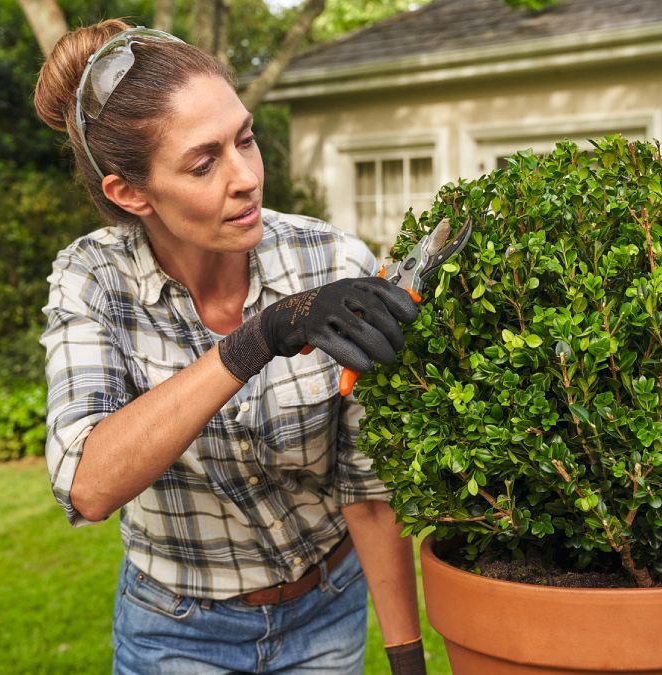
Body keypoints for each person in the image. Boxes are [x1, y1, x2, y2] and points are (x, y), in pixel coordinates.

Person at [34, 19, 427, 674]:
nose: (245, 175)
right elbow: (88, 484)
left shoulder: (329, 259)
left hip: (325, 611)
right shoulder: (93, 279)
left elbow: (367, 487)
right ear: (131, 193)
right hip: (175, 634)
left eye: (245, 138)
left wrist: (408, 662)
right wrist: (260, 337)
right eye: (204, 160)